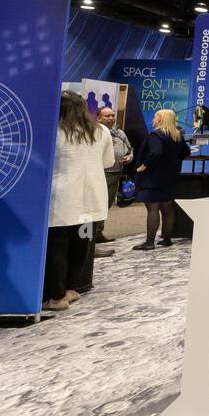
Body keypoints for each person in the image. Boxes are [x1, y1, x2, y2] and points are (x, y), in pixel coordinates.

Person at [44, 91, 113, 311]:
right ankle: (72, 289)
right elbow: (109, 161)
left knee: (58, 246)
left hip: (62, 199)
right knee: (81, 243)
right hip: (91, 200)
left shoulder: (54, 131)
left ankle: (57, 296)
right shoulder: (101, 131)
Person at [132, 108, 192, 251]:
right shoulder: (176, 135)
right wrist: (172, 162)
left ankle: (149, 243)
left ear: (160, 119)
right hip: (170, 177)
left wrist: (144, 165)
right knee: (167, 207)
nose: (153, 120)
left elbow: (156, 153)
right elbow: (186, 152)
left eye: (155, 117)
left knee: (153, 208)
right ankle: (167, 239)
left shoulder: (156, 135)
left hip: (153, 177)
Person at [92, 106, 132, 252]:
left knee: (107, 203)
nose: (111, 118)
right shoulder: (96, 132)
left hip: (117, 172)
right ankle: (93, 235)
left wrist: (129, 157)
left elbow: (129, 148)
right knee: (99, 204)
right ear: (99, 118)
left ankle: (98, 232)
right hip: (102, 173)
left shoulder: (119, 133)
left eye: (112, 115)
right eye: (107, 116)